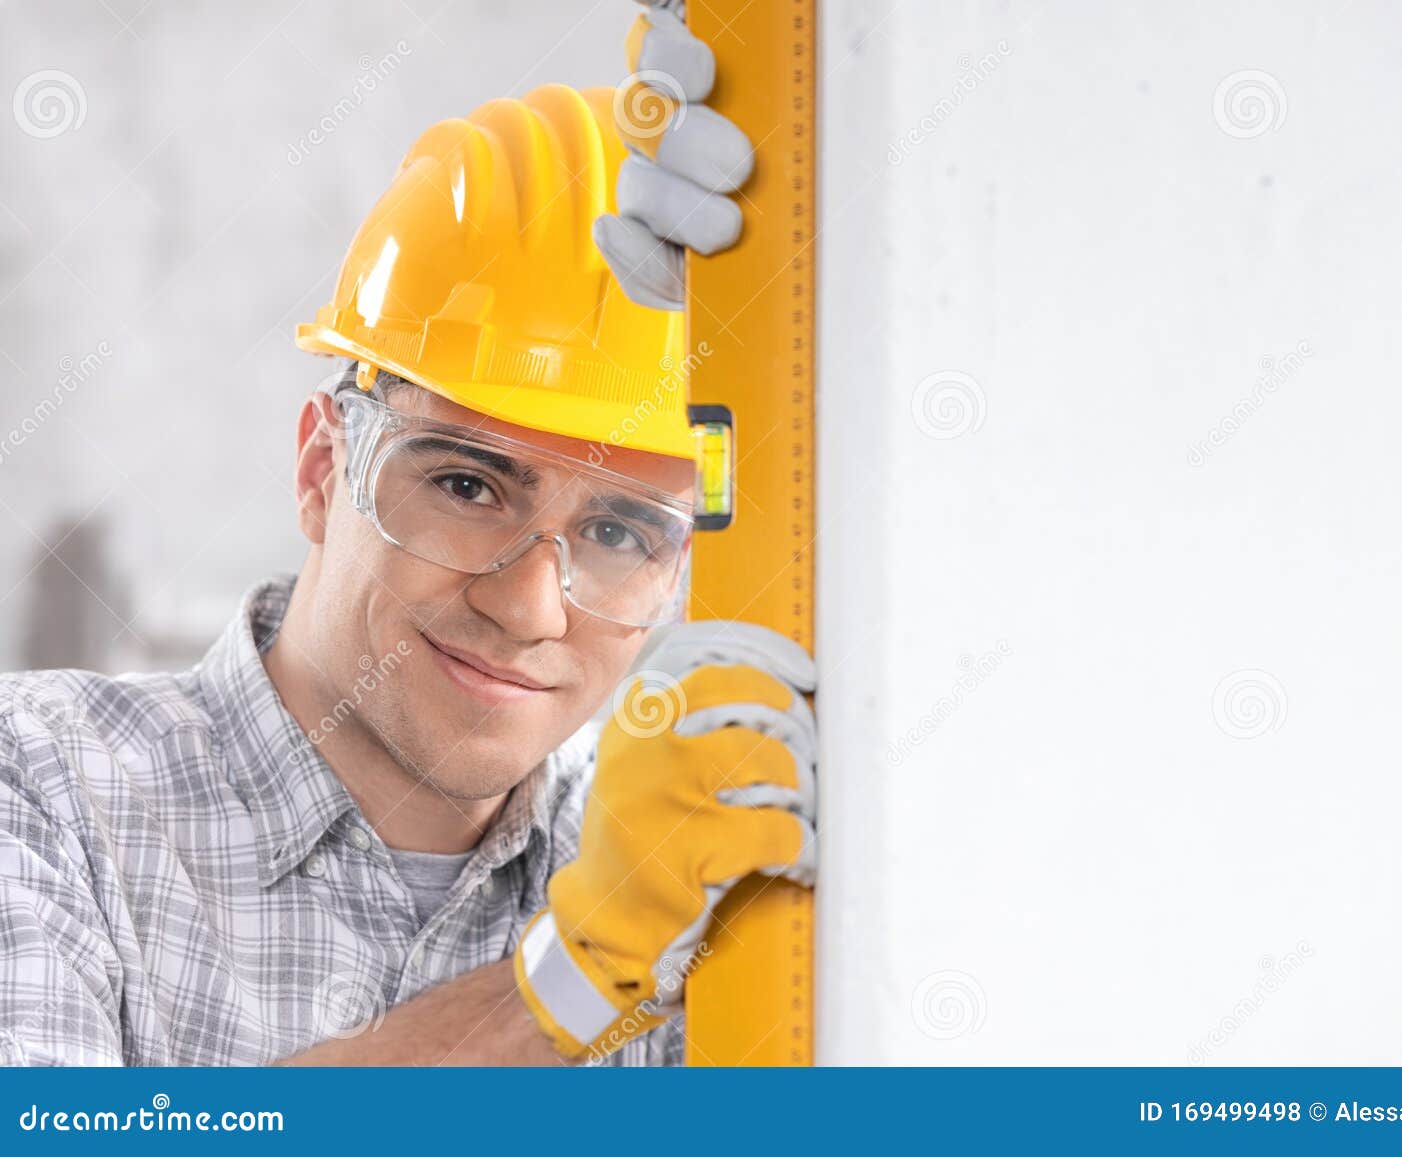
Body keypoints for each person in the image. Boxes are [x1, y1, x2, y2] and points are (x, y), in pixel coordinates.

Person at [0, 0, 816, 1068]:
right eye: (469, 485)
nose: (528, 607)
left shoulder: (699, 876)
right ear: (321, 467)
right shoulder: (42, 789)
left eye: (619, 530)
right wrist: (564, 983)